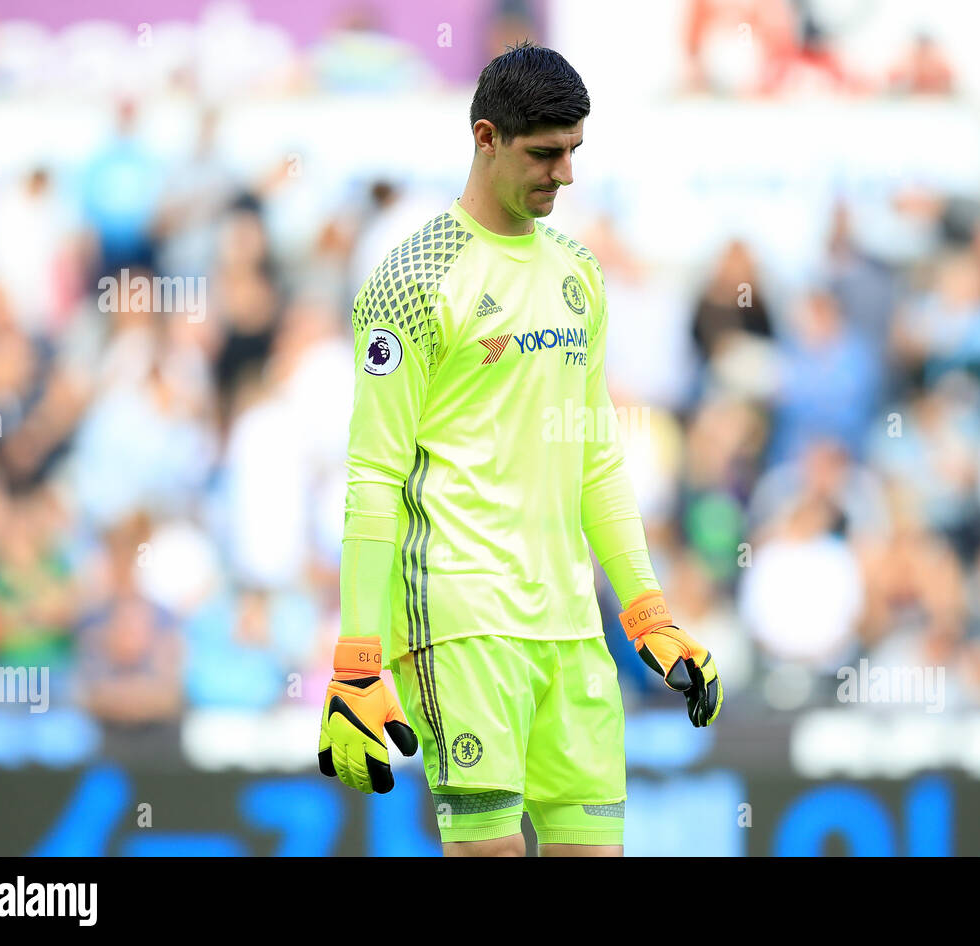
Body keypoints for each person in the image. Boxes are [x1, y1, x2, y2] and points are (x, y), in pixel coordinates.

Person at [316, 41, 722, 858]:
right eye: (546, 153)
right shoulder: (412, 281)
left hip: (571, 625)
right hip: (460, 616)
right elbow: (374, 475)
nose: (565, 175)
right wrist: (358, 655)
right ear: (486, 137)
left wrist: (645, 607)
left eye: (575, 152)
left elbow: (596, 458)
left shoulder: (578, 272)